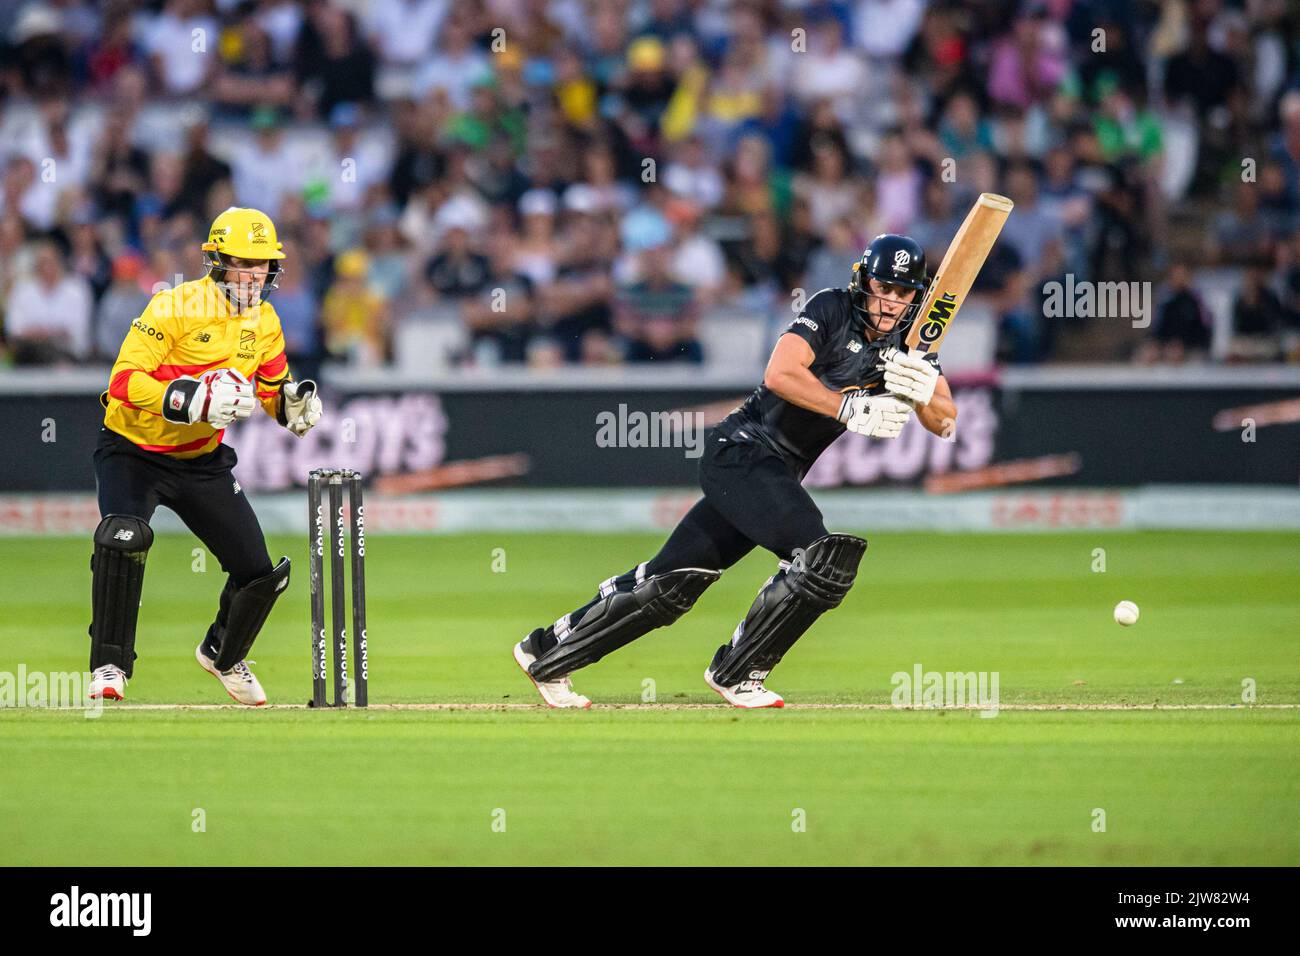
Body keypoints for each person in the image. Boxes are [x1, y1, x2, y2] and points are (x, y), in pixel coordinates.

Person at [513, 234, 957, 708]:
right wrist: (848, 408)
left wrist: (924, 385)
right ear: (862, 281)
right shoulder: (832, 308)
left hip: (778, 473)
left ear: (916, 297)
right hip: (742, 453)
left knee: (670, 584)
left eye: (902, 292)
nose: (889, 302)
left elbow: (946, 422)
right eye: (881, 288)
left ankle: (545, 651)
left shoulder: (911, 344)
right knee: (820, 558)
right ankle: (738, 673)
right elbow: (780, 373)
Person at [86, 207, 323, 705]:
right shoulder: (172, 306)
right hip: (133, 450)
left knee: (261, 574)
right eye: (244, 263)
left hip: (201, 458)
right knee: (122, 537)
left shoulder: (265, 321)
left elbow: (271, 389)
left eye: (263, 266)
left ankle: (222, 652)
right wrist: (189, 398)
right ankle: (110, 665)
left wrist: (292, 407)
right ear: (215, 260)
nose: (254, 276)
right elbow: (123, 382)